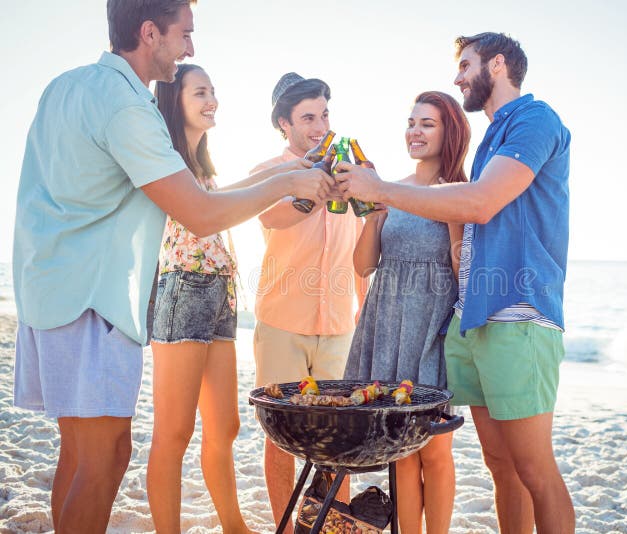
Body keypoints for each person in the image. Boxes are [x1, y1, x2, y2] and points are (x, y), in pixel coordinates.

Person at [11, 2, 333, 532]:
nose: (190, 47)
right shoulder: (126, 105)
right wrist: (287, 181)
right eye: (185, 34)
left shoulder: (66, 86)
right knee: (105, 455)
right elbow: (200, 214)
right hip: (93, 298)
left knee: (81, 452)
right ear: (149, 32)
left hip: (48, 289)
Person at [334, 32, 575, 533]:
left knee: (534, 469)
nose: (458, 76)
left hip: (519, 313)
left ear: (498, 64)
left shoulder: (535, 120)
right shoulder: (494, 138)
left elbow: (480, 204)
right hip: (475, 319)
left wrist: (381, 189)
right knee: (501, 466)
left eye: (466, 65)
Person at [147, 63, 299, 533]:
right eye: (200, 92)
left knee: (225, 426)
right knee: (174, 432)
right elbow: (203, 215)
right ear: (174, 100)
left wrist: (291, 172)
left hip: (219, 293)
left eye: (212, 91)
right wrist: (283, 180)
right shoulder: (164, 159)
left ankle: (234, 526)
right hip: (183, 289)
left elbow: (226, 201)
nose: (211, 99)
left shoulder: (202, 168)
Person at [344, 91, 469, 534]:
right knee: (399, 449)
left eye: (427, 124)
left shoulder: (459, 191)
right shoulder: (391, 190)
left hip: (431, 330)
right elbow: (363, 266)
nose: (414, 131)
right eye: (411, 122)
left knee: (434, 449)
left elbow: (461, 268)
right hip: (387, 324)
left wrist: (454, 218)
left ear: (449, 132)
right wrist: (374, 217)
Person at [250, 73, 367, 533]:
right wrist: (318, 194)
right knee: (280, 436)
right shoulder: (268, 172)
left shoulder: (348, 174)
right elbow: (271, 216)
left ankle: (332, 529)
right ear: (284, 123)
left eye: (324, 115)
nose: (320, 126)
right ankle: (285, 528)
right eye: (308, 118)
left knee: (339, 440)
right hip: (283, 322)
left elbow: (361, 255)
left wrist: (365, 314)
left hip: (339, 328)